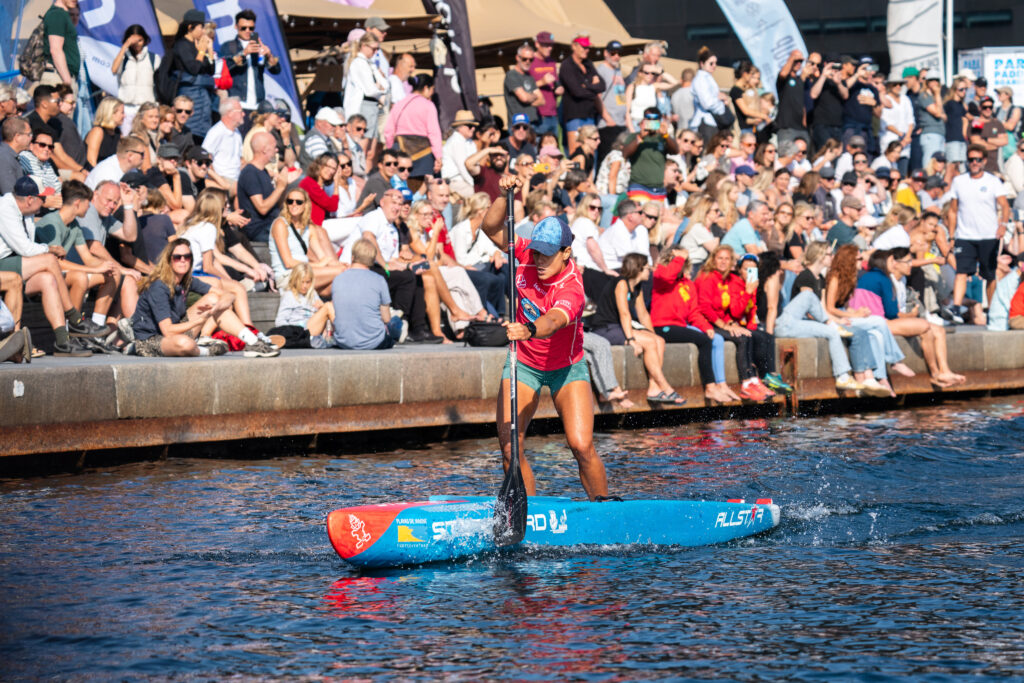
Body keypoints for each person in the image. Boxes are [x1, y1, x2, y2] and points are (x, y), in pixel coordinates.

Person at [480, 175, 609, 499]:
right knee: (510, 447)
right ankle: (531, 512)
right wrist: (503, 194)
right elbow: (491, 228)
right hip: (524, 365)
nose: (538, 260)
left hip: (566, 367)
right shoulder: (524, 255)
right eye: (537, 253)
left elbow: (553, 321)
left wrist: (529, 329)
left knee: (580, 445)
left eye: (548, 255)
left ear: (566, 252)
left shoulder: (572, 286)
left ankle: (605, 508)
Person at [0, 176, 109, 354]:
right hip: (3, 264)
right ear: (30, 199)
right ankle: (75, 318)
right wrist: (50, 249)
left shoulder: (27, 212)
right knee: (50, 260)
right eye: (42, 198)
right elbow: (25, 248)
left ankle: (62, 340)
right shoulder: (5, 208)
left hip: (13, 264)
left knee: (47, 279)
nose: (46, 202)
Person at [852, 248, 964, 387]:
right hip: (881, 320)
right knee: (925, 327)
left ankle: (944, 371)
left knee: (938, 330)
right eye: (908, 261)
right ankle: (935, 374)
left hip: (883, 319)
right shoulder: (885, 279)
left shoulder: (898, 279)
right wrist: (911, 316)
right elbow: (891, 312)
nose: (911, 264)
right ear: (893, 263)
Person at [130, 238, 247, 358]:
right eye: (177, 257)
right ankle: (205, 351)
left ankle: (253, 340)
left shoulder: (186, 281)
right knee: (184, 344)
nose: (183, 260)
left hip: (176, 331)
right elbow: (168, 331)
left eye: (187, 256)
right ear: (168, 260)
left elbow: (228, 294)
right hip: (150, 339)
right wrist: (200, 321)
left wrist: (218, 306)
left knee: (213, 299)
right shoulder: (159, 286)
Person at [696, 246, 784, 401]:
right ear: (713, 259)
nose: (723, 262)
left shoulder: (728, 279)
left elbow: (728, 311)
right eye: (720, 258)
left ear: (731, 262)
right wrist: (726, 324)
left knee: (761, 335)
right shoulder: (709, 278)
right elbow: (706, 307)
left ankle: (759, 379)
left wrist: (730, 323)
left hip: (723, 322)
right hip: (705, 323)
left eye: (726, 259)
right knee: (744, 337)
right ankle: (747, 382)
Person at [652, 247, 738, 402]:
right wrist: (678, 257)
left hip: (679, 326)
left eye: (682, 260)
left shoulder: (687, 284)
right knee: (704, 341)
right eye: (678, 260)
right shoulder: (660, 275)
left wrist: (706, 327)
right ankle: (710, 387)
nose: (680, 263)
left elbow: (694, 312)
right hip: (662, 326)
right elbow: (667, 275)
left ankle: (719, 385)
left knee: (709, 337)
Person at [949, 143, 1012, 311]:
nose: (974, 163)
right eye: (971, 160)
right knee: (961, 272)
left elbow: (1005, 206)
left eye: (978, 159)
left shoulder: (992, 181)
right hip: (965, 235)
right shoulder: (959, 181)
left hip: (988, 235)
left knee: (989, 275)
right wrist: (951, 236)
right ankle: (956, 306)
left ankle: (992, 309)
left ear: (984, 161)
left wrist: (1003, 225)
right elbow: (953, 211)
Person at [269, 187, 346, 295]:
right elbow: (288, 263)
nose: (294, 204)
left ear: (305, 205)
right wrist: (319, 265)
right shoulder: (280, 224)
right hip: (288, 275)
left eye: (299, 202)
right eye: (290, 201)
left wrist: (340, 264)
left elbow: (323, 258)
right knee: (341, 272)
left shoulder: (309, 228)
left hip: (306, 272)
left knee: (337, 285)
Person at [330, 237, 404, 349]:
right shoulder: (379, 280)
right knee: (396, 322)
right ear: (372, 259)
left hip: (343, 341)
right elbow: (386, 318)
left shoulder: (337, 279)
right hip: (373, 342)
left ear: (353, 257)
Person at [219, 9, 282, 125]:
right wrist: (244, 53)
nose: (247, 31)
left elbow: (276, 70)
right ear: (236, 27)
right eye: (243, 28)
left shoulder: (259, 46)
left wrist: (269, 55)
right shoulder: (229, 46)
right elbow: (222, 68)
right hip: (237, 104)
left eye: (251, 28)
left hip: (257, 105)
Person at [383, 73, 443, 185]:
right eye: (432, 89)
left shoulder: (399, 104)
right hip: (424, 153)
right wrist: (438, 156)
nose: (432, 93)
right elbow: (434, 133)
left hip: (399, 149)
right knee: (422, 189)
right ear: (426, 88)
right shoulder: (428, 105)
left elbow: (388, 131)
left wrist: (391, 150)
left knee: (399, 186)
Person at [170, 9, 216, 139]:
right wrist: (201, 52)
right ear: (190, 27)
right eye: (201, 27)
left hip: (203, 96)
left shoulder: (197, 44)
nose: (203, 31)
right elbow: (194, 68)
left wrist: (209, 50)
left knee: (202, 134)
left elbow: (211, 70)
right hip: (190, 93)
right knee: (190, 133)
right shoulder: (182, 45)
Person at [236, 131, 289, 242]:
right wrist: (279, 187)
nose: (277, 150)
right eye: (274, 147)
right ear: (264, 149)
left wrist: (283, 186)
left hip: (271, 225)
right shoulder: (250, 173)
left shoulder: (263, 172)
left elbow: (275, 204)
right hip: (259, 230)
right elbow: (263, 208)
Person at [273, 262, 335, 347]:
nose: (304, 286)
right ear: (295, 280)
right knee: (327, 306)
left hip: (312, 330)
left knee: (329, 305)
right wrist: (292, 334)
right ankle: (343, 334)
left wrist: (321, 307)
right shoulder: (289, 295)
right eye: (301, 282)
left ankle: (329, 338)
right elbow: (280, 321)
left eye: (307, 282)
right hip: (299, 332)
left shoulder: (312, 294)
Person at [111, 25, 159, 133]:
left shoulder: (153, 58)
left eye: (140, 40)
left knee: (146, 138)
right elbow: (114, 70)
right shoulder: (123, 58)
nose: (137, 44)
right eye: (133, 40)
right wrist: (125, 46)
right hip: (127, 107)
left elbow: (160, 82)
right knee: (127, 139)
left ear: (145, 40)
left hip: (146, 107)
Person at [343, 34, 388, 144]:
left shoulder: (370, 64)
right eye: (373, 49)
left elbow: (386, 85)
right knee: (363, 146)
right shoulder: (358, 63)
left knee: (371, 148)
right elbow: (370, 90)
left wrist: (380, 89)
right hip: (363, 107)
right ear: (364, 46)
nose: (376, 52)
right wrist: (380, 91)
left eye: (377, 49)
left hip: (373, 106)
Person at [201, 97, 245, 193]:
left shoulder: (237, 133)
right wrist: (218, 180)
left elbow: (241, 160)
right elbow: (205, 157)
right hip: (222, 178)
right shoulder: (216, 132)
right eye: (240, 111)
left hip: (236, 178)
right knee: (244, 190)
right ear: (230, 113)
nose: (244, 114)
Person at [690, 46, 729, 145]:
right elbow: (707, 103)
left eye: (715, 63)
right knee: (709, 153)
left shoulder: (708, 78)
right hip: (705, 122)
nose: (714, 66)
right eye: (711, 63)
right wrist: (719, 101)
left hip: (712, 122)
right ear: (702, 63)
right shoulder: (700, 79)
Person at [39, 0, 79, 93]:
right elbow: (56, 50)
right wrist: (67, 82)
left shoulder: (63, 15)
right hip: (58, 78)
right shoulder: (57, 14)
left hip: (61, 77)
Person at [504, 44, 544, 129]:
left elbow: (542, 100)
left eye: (531, 59)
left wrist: (528, 98)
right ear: (518, 58)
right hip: (518, 126)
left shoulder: (529, 77)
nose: (527, 62)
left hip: (533, 124)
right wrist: (534, 96)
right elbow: (524, 98)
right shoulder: (511, 75)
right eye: (524, 59)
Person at [968, 96, 1008, 175]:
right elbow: (976, 143)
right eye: (985, 107)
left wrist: (986, 139)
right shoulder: (977, 123)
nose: (988, 109)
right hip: (978, 166)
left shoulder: (997, 123)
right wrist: (995, 145)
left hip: (994, 166)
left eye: (990, 107)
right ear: (980, 108)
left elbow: (1004, 141)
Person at [944, 77, 970, 169]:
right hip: (952, 140)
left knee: (962, 168)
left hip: (961, 140)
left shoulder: (961, 105)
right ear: (955, 89)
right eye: (961, 89)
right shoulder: (949, 104)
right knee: (953, 167)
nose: (964, 91)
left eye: (965, 89)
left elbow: (968, 117)